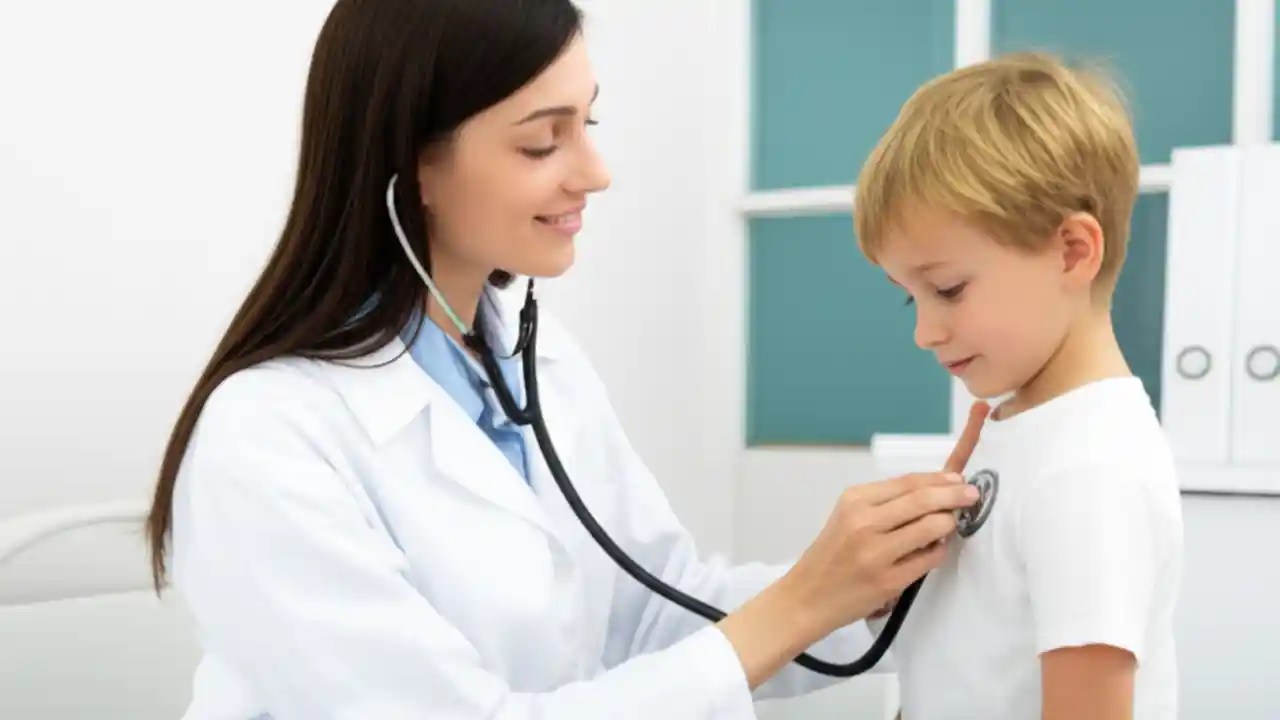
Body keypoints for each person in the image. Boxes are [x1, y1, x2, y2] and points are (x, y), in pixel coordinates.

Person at [144, 1, 986, 718]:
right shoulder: (267, 437)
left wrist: (868, 586)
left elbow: (654, 612)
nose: (596, 172)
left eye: (589, 125)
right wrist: (802, 603)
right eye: (542, 143)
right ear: (415, 164)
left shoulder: (540, 365)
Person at [854, 52, 1184, 719]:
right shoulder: (1023, 427)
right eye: (910, 297)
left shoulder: (1089, 468)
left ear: (1072, 251)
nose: (924, 332)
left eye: (948, 289)